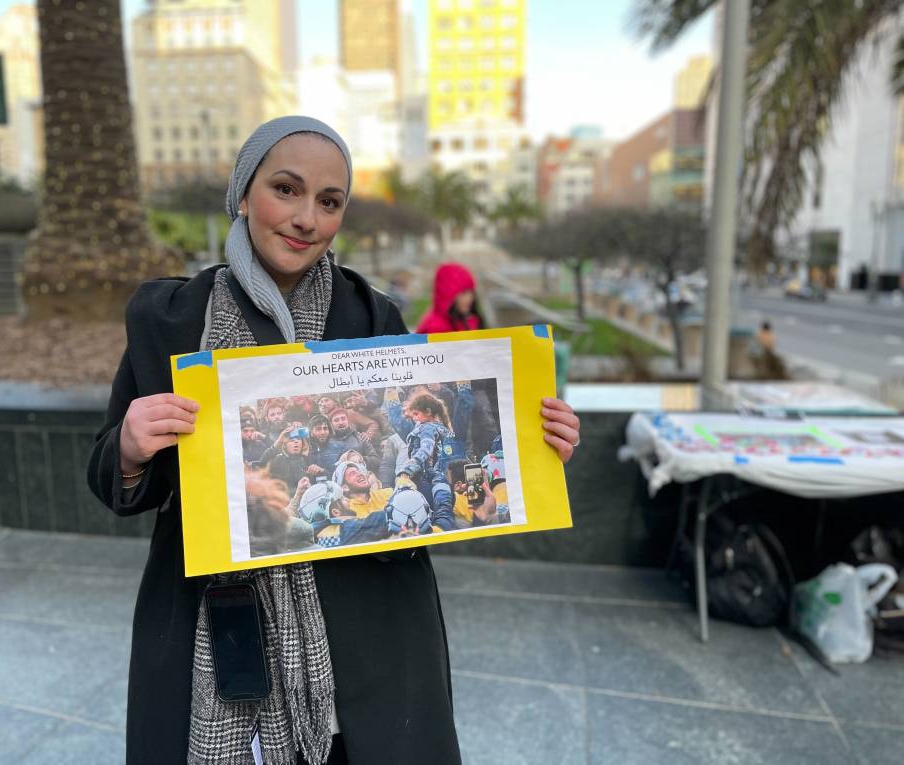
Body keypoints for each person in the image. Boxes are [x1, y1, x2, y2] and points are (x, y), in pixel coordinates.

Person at [87, 116, 581, 765]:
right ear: (243, 193)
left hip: (366, 626)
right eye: (285, 190)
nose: (306, 219)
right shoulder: (170, 318)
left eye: (329, 201)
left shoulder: (373, 315)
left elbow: (429, 443)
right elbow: (113, 476)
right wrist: (129, 446)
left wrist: (528, 441)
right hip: (214, 619)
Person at [415, 261, 485, 334]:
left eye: (471, 292)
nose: (470, 298)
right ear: (447, 295)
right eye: (463, 292)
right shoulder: (435, 329)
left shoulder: (464, 321)